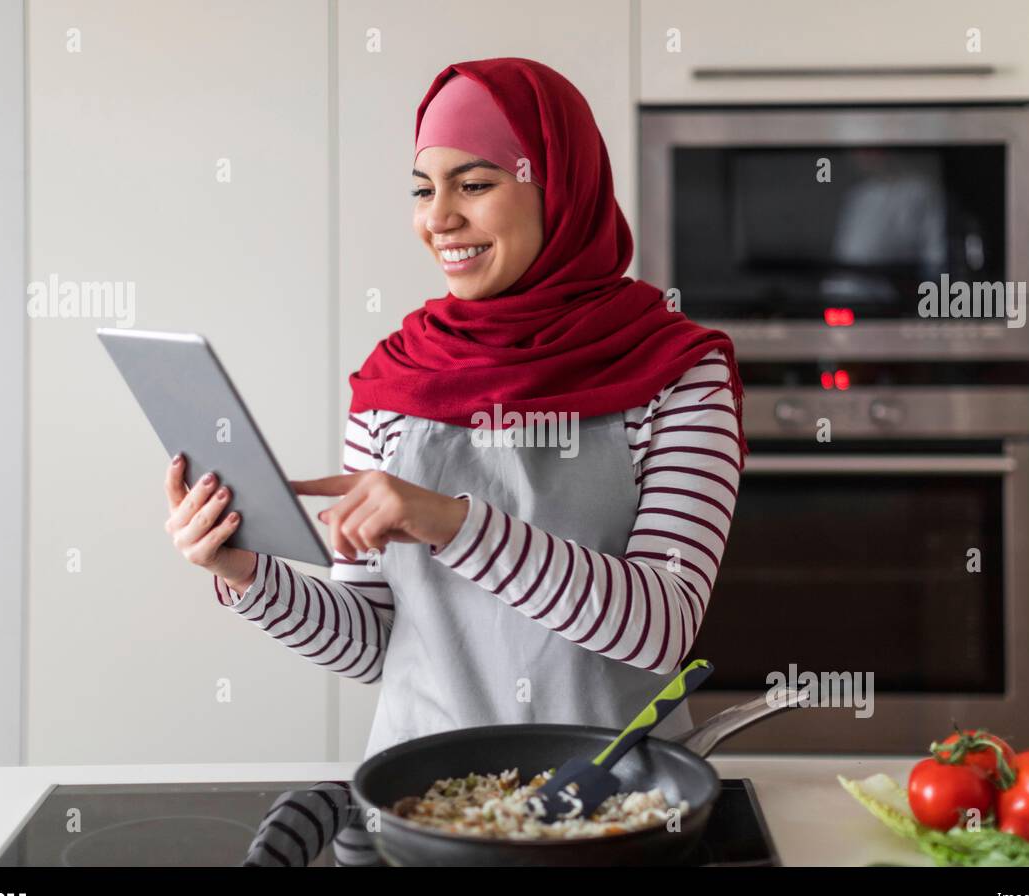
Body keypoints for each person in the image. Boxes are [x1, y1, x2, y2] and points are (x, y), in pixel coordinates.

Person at [163, 56, 748, 765]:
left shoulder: (678, 369)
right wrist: (247, 573)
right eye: (422, 189)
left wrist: (451, 521)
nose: (438, 218)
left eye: (474, 184)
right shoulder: (398, 374)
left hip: (611, 800)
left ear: (559, 188)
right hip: (428, 797)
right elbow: (372, 643)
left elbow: (661, 627)